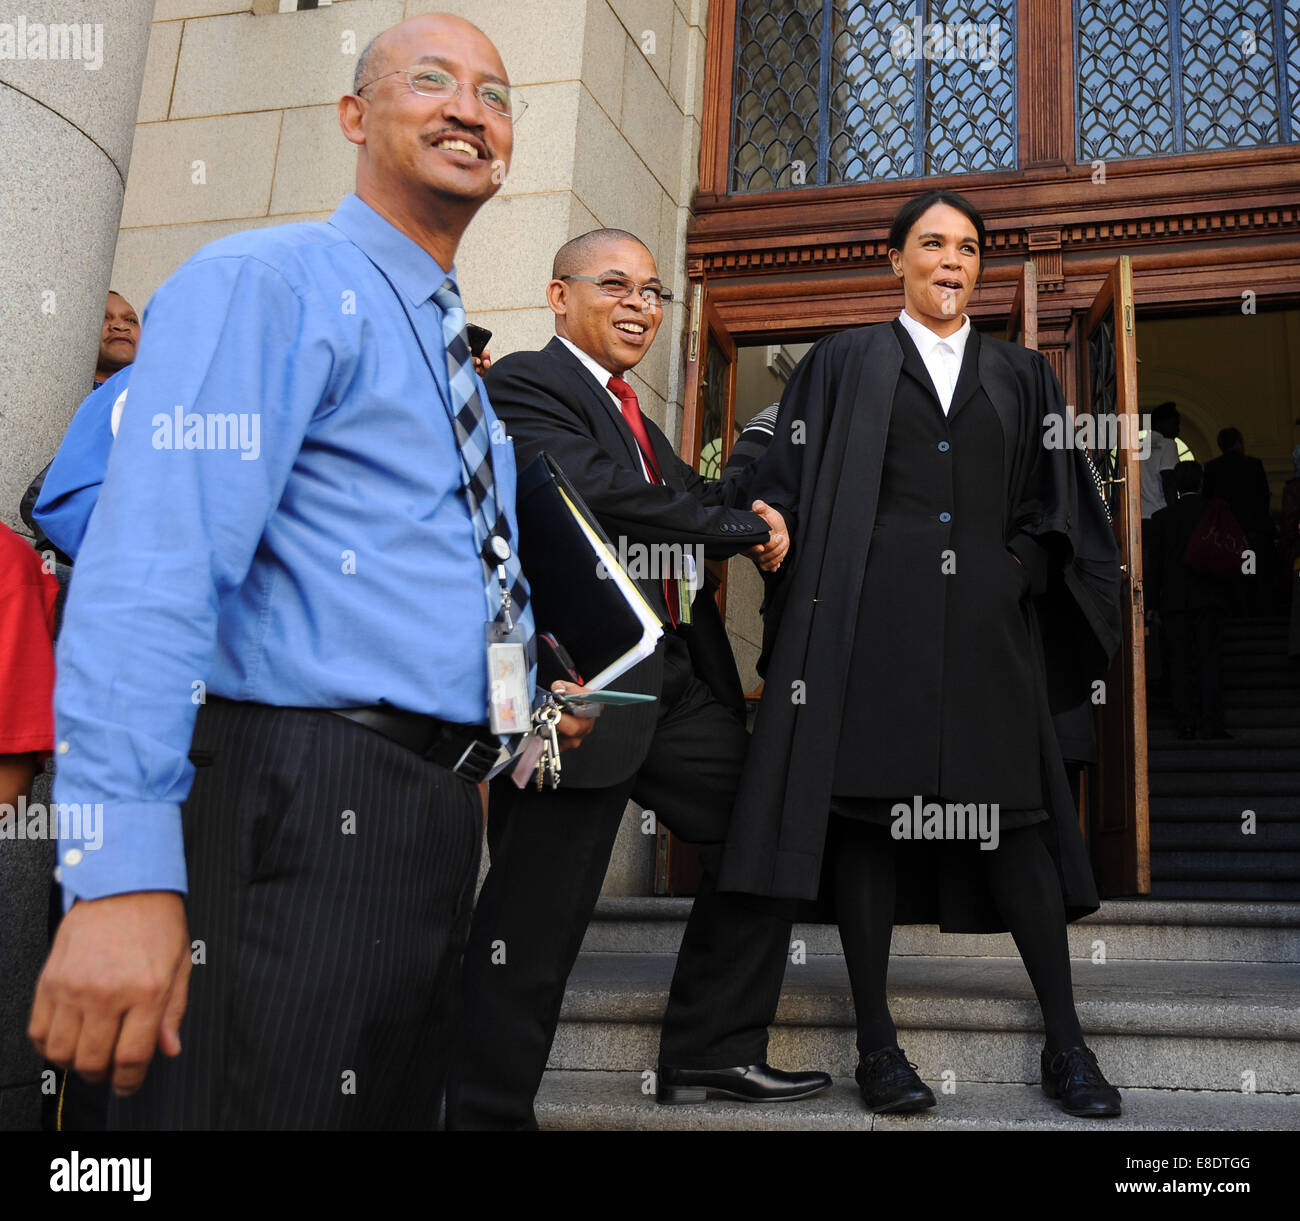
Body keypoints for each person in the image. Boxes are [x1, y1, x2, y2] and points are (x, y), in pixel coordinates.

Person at [27, 12, 593, 1130]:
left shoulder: (454, 365)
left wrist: (522, 710)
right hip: (287, 801)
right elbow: (152, 570)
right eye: (430, 80)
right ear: (352, 114)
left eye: (494, 93)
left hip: (431, 822)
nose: (468, 107)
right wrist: (120, 871)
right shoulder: (269, 282)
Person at [720, 189, 1125, 1119]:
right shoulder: (843, 361)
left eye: (970, 249)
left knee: (1015, 821)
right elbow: (780, 467)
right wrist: (761, 515)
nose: (953, 261)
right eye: (933, 244)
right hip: (873, 630)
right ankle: (877, 1044)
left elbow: (1061, 501)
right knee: (869, 825)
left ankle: (1068, 1044)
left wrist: (1018, 569)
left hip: (990, 635)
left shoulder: (1024, 375)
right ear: (894, 259)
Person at [444, 228, 832, 1130]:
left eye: (654, 292)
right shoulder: (524, 386)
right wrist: (740, 529)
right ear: (557, 295)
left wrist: (754, 510)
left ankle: (713, 1049)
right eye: (615, 285)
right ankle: (482, 1112)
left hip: (676, 679)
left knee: (761, 827)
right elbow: (591, 491)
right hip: (580, 687)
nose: (639, 305)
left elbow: (687, 500)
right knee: (534, 918)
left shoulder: (640, 417)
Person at [1146, 462, 1231, 739]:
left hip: (1174, 601)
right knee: (1209, 660)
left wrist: (1151, 605)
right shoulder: (1215, 512)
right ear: (1201, 483)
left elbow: (1155, 566)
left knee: (1179, 663)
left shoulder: (1162, 519)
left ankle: (1185, 722)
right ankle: (1212, 723)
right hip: (1210, 598)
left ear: (1175, 487)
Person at [1204, 427, 1275, 613]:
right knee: (1250, 571)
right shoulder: (1254, 465)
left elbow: (1208, 502)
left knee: (1228, 572)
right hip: (1251, 530)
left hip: (1224, 533)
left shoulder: (1212, 468)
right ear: (1238, 442)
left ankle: (1233, 608)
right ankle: (1252, 608)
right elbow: (1263, 498)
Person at [1139, 401, 1181, 520]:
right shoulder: (1168, 444)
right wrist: (1175, 514)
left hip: (1137, 516)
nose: (1178, 430)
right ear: (1159, 424)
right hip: (1160, 514)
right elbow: (1169, 482)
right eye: (1175, 424)